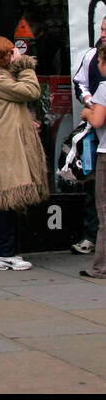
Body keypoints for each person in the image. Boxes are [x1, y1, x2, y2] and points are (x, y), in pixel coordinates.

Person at [0, 36, 48, 270]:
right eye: (9, 53)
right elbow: (32, 91)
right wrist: (24, 65)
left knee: (2, 200)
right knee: (7, 199)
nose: (13, 55)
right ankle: (5, 252)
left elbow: (10, 109)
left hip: (2, 145)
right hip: (5, 148)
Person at [69, 16, 106, 254]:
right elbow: (80, 83)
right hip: (97, 132)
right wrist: (88, 101)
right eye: (102, 29)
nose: (104, 34)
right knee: (94, 184)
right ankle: (92, 236)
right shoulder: (92, 56)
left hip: (98, 120)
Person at [79, 44, 106, 279]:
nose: (96, 66)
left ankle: (100, 267)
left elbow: (97, 120)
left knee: (104, 212)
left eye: (99, 63)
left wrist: (87, 113)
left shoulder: (104, 88)